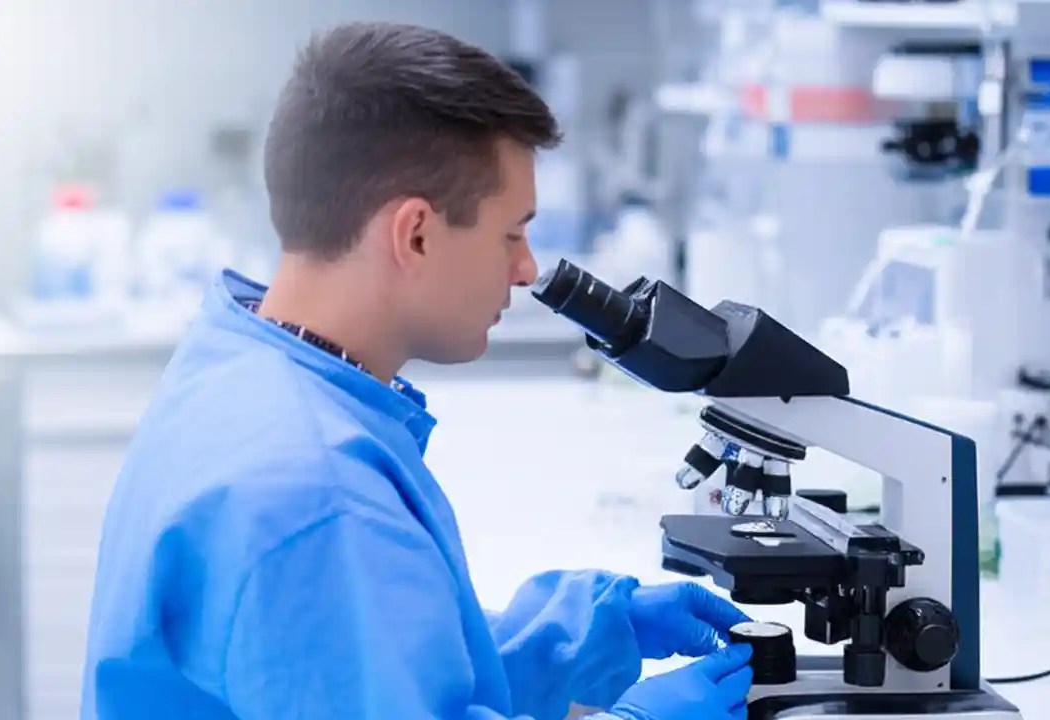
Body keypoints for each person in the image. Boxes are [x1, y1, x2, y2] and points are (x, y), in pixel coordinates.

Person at [81, 21, 755, 720]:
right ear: (416, 234)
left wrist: (584, 632)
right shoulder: (318, 494)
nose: (525, 270)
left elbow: (362, 658)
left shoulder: (240, 365)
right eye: (511, 235)